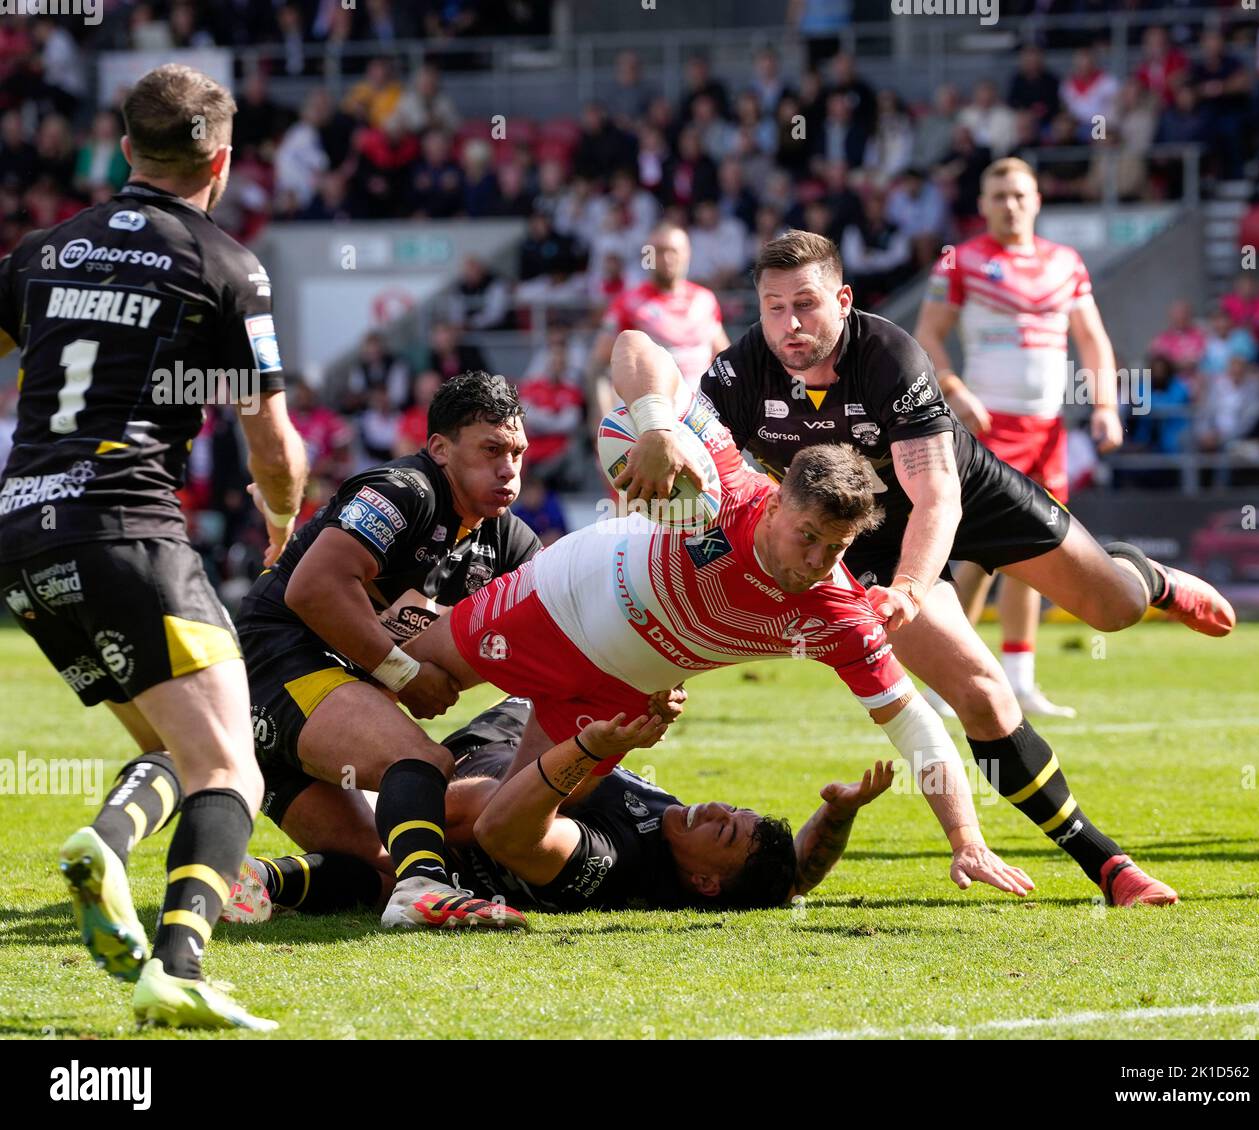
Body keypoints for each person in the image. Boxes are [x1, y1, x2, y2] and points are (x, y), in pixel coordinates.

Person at [615, 231, 1238, 908]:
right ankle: (1109, 865)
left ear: (843, 300)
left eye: (806, 304)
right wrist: (660, 430)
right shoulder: (740, 375)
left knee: (1114, 608)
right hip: (861, 545)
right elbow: (645, 365)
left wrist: (914, 586)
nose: (790, 325)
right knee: (980, 691)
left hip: (963, 495)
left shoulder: (888, 356)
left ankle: (1152, 579)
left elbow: (936, 496)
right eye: (772, 308)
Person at [397, 333, 1036, 901]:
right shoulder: (722, 479)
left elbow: (915, 725)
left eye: (835, 549)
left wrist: (965, 836)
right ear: (778, 500)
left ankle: (384, 866)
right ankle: (314, 705)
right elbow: (635, 346)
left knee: (495, 821)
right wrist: (656, 428)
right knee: (405, 674)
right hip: (557, 605)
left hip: (619, 696)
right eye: (806, 536)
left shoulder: (838, 611)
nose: (814, 562)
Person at [0, 64, 308, 1029]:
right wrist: (283, 516)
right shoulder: (228, 267)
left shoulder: (43, 250)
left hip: (22, 534)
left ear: (124, 147)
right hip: (127, 526)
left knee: (178, 745)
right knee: (233, 767)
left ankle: (106, 845)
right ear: (221, 159)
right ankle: (176, 967)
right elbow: (272, 442)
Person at [235, 372, 546, 931]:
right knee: (424, 762)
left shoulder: (506, 539)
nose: (508, 468)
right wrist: (403, 675)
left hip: (324, 705)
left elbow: (551, 624)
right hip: (277, 668)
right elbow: (314, 589)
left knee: (378, 868)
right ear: (440, 449)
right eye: (491, 450)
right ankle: (424, 894)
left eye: (518, 453)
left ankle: (251, 878)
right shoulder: (405, 490)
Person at [225, 697, 895, 919]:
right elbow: (792, 877)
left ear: (703, 882)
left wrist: (587, 749)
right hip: (527, 720)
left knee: (386, 867)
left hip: (485, 776)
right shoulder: (717, 859)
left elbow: (503, 827)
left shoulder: (611, 863)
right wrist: (838, 814)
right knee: (395, 857)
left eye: (723, 831)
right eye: (734, 810)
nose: (716, 808)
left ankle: (265, 873)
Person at [915, 157, 1124, 717]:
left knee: (1036, 550)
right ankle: (944, 676)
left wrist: (1104, 404)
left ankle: (1020, 679)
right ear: (982, 204)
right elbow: (927, 334)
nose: (1010, 204)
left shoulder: (1066, 263)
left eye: (1019, 194)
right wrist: (954, 389)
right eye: (998, 194)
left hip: (1048, 430)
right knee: (980, 556)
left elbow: (1093, 340)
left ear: (1037, 200)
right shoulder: (964, 258)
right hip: (988, 430)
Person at [587, 222, 728, 437]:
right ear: (649, 256)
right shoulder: (629, 304)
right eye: (659, 251)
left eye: (673, 251)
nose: (667, 258)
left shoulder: (705, 300)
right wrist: (603, 420)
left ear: (687, 254)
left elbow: (724, 359)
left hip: (700, 421)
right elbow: (597, 366)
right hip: (651, 424)